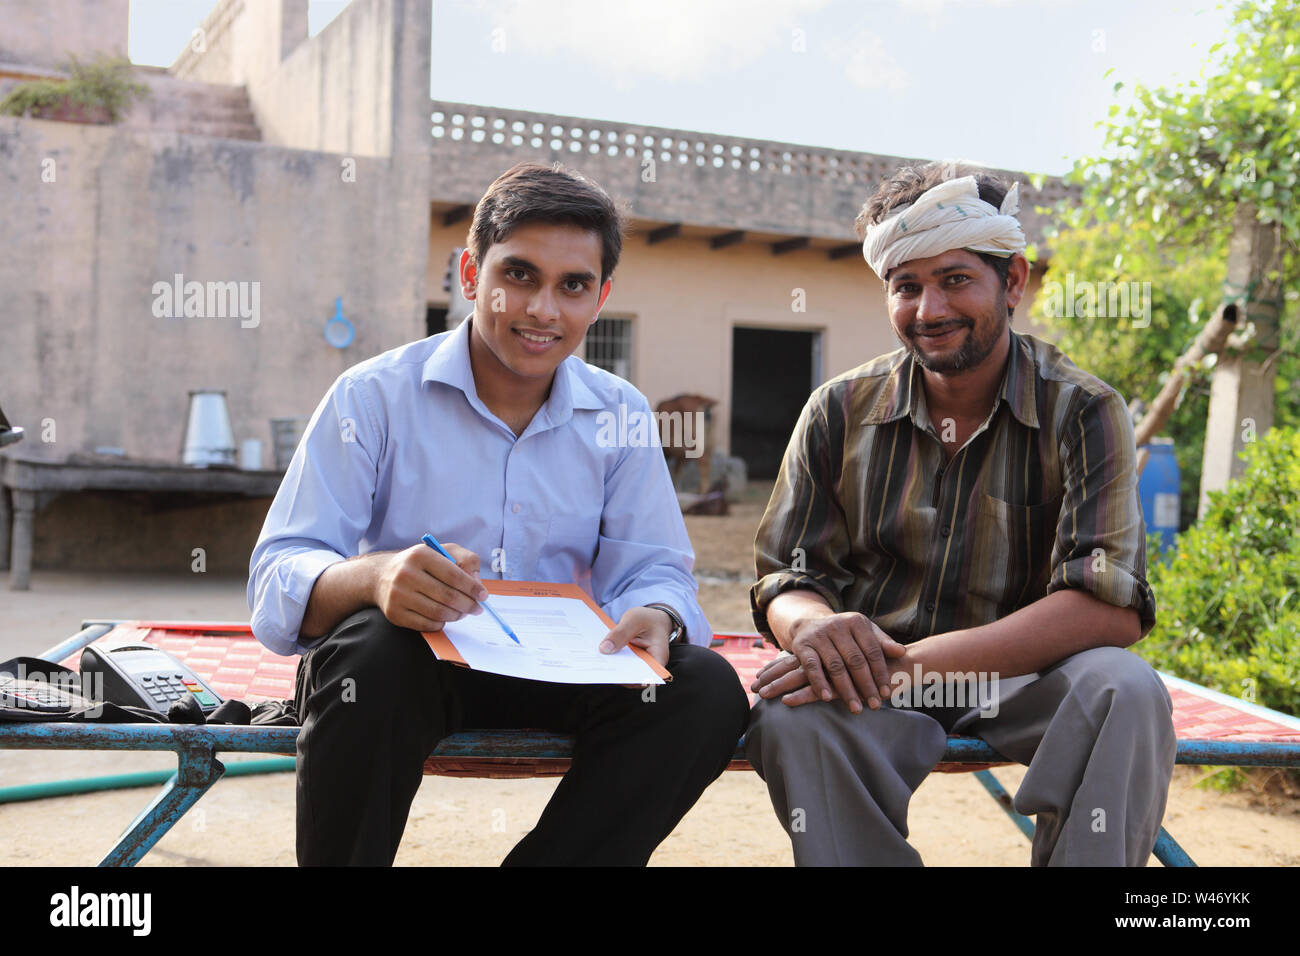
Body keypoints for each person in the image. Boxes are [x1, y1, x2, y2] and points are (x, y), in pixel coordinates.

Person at [248, 161, 748, 866]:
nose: (543, 309)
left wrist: (658, 615)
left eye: (572, 285)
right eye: (518, 275)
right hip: (415, 668)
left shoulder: (622, 414)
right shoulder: (373, 397)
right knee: (368, 655)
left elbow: (656, 569)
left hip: (570, 670)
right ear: (469, 273)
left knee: (704, 690)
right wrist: (375, 578)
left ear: (600, 297)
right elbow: (279, 573)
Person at [744, 161, 1176, 866]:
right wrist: (815, 627)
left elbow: (1108, 606)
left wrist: (906, 666)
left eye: (954, 279)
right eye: (905, 287)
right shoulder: (837, 410)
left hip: (1025, 682)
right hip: (870, 689)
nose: (929, 309)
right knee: (791, 718)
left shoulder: (1085, 410)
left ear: (1012, 283)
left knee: (1124, 691)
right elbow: (787, 574)